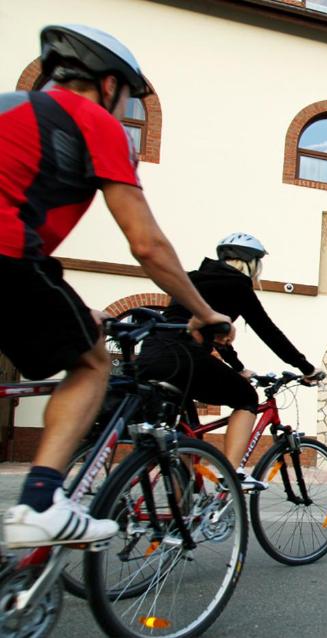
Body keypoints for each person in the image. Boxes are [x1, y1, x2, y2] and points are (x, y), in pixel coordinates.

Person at [0, 25, 234, 548]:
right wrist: (203, 312)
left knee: (78, 330)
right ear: (108, 86)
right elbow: (147, 244)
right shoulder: (96, 124)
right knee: (91, 362)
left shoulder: (9, 107)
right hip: (8, 251)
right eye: (126, 97)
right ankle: (40, 504)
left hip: (23, 264)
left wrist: (86, 314)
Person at [137, 234, 322, 489]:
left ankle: (137, 500)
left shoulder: (193, 278)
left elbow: (217, 336)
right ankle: (231, 471)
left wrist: (239, 368)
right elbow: (268, 331)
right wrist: (306, 368)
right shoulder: (236, 284)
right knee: (245, 397)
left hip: (151, 355)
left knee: (182, 440)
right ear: (251, 263)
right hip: (185, 358)